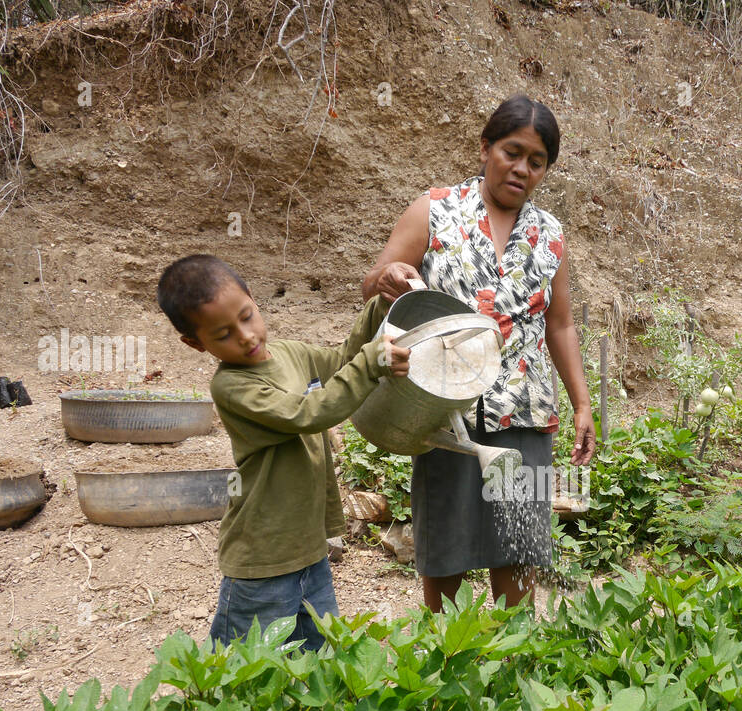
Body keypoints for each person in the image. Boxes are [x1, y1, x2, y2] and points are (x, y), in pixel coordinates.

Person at [362, 94, 596, 612]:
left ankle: (511, 657)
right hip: (443, 409)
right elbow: (373, 282)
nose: (522, 169)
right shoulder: (435, 210)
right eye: (513, 152)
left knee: (518, 545)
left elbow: (559, 325)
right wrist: (391, 278)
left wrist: (581, 404)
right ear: (486, 147)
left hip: (524, 411)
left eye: (537, 162)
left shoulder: (550, 236)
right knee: (445, 542)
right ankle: (450, 654)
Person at [157, 254, 410, 651]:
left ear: (253, 300)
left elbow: (344, 358)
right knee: (244, 670)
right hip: (263, 559)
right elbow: (308, 413)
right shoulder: (232, 387)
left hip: (309, 551)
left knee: (321, 658)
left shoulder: (291, 354)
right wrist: (371, 364)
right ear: (195, 343)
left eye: (247, 316)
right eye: (222, 334)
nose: (245, 336)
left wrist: (381, 305)